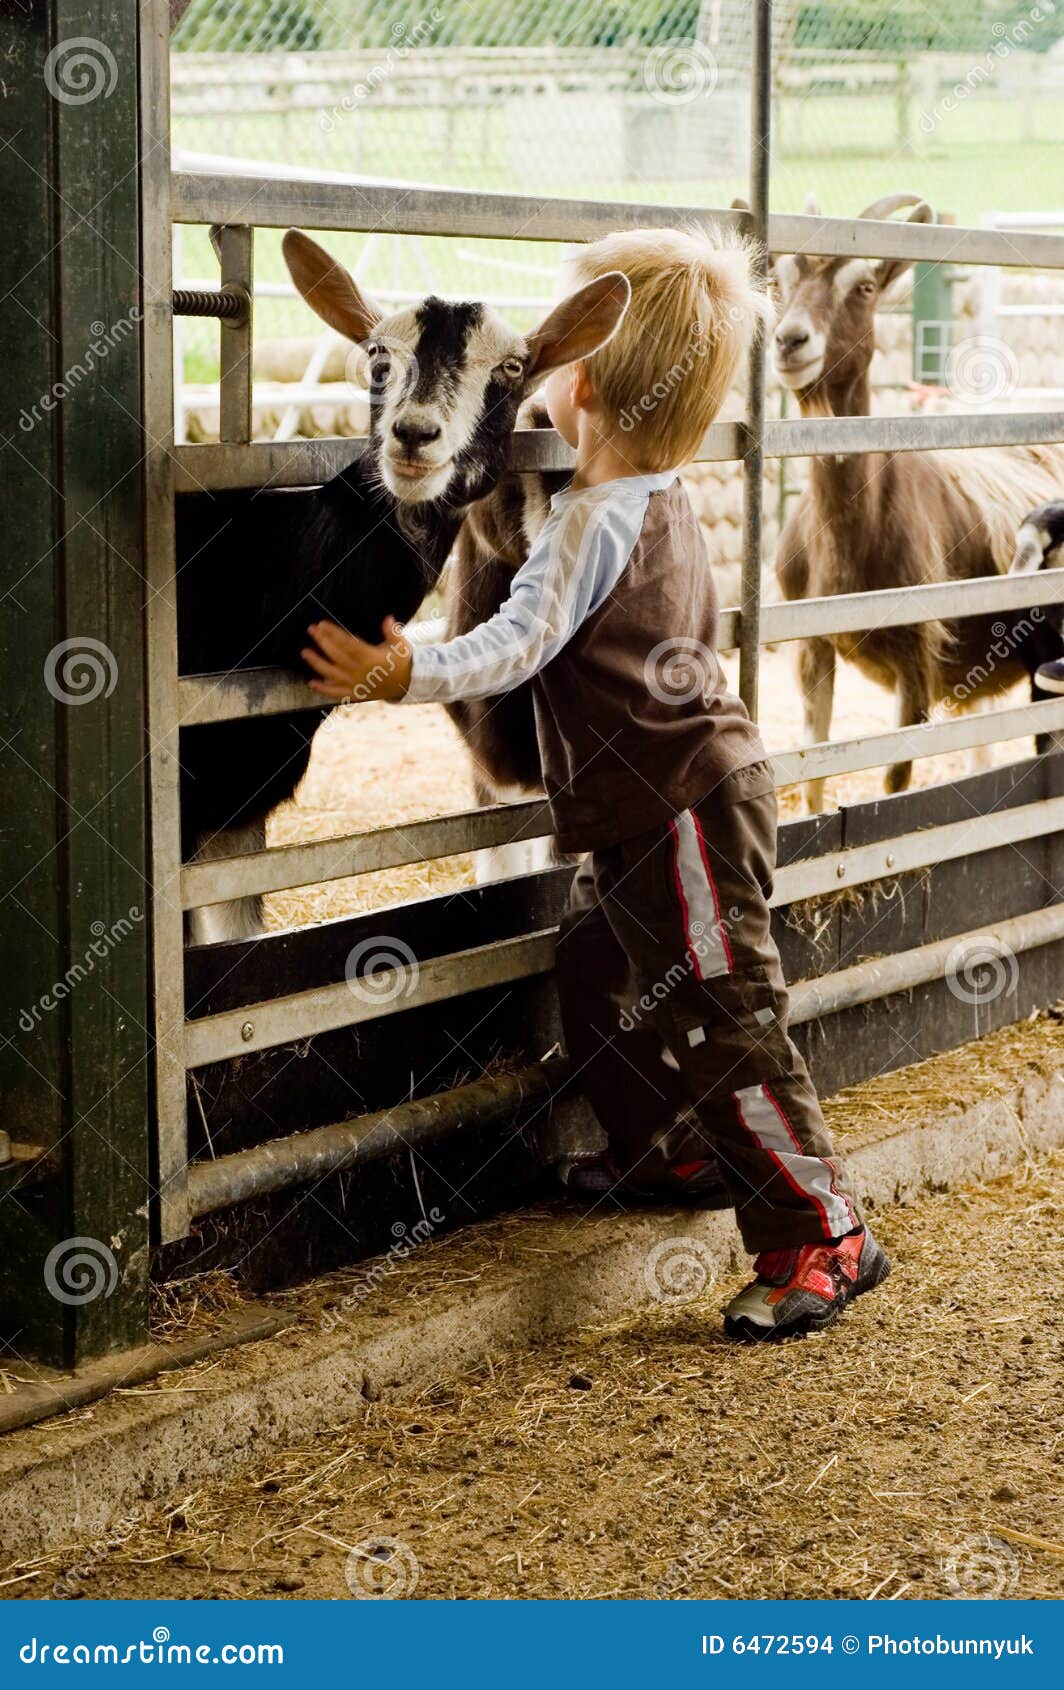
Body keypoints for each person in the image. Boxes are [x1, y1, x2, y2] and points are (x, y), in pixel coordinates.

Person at [302, 226, 890, 1341]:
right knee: (594, 969)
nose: (537, 377)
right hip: (639, 811)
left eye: (551, 364)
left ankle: (820, 1229)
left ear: (590, 389)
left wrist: (402, 670)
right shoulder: (655, 490)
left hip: (684, 808)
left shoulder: (589, 520)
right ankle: (664, 1150)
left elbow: (514, 645)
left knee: (726, 1010)